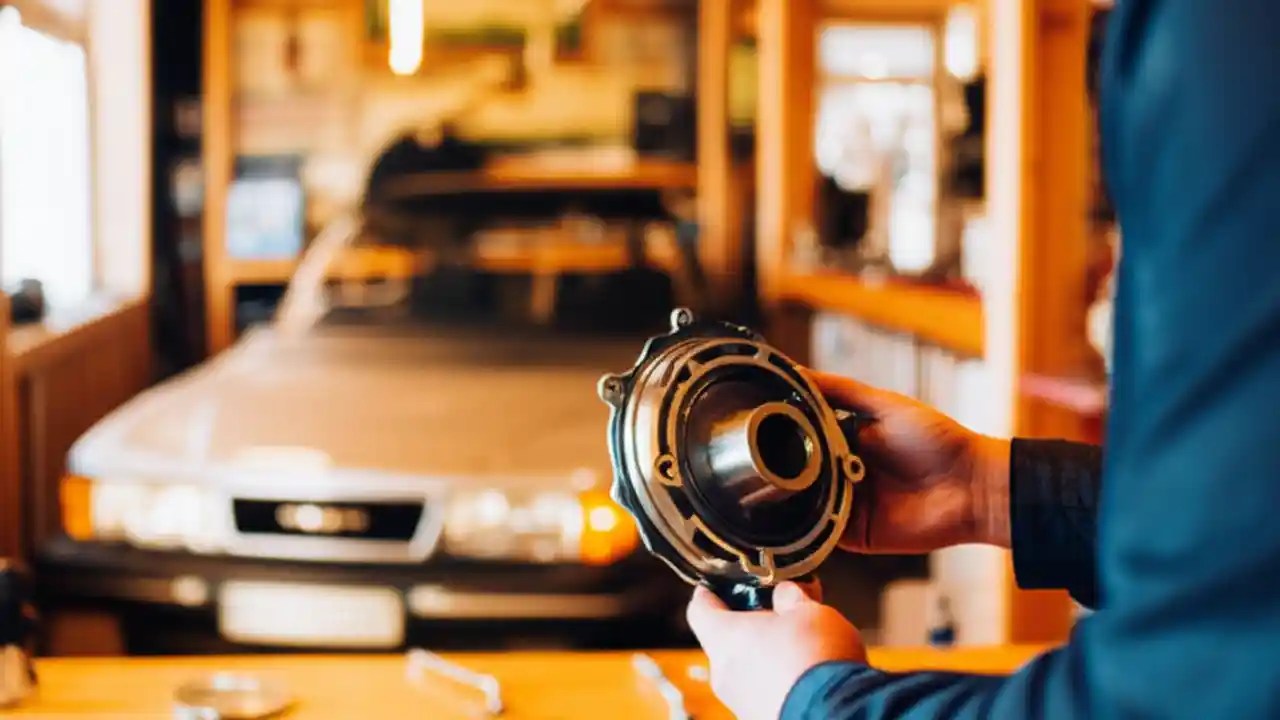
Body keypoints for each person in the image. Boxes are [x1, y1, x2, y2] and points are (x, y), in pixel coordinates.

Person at [686, 1, 1280, 718]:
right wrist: (997, 491)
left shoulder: (1225, 35)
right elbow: (1248, 547)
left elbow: (1185, 692)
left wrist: (817, 701)